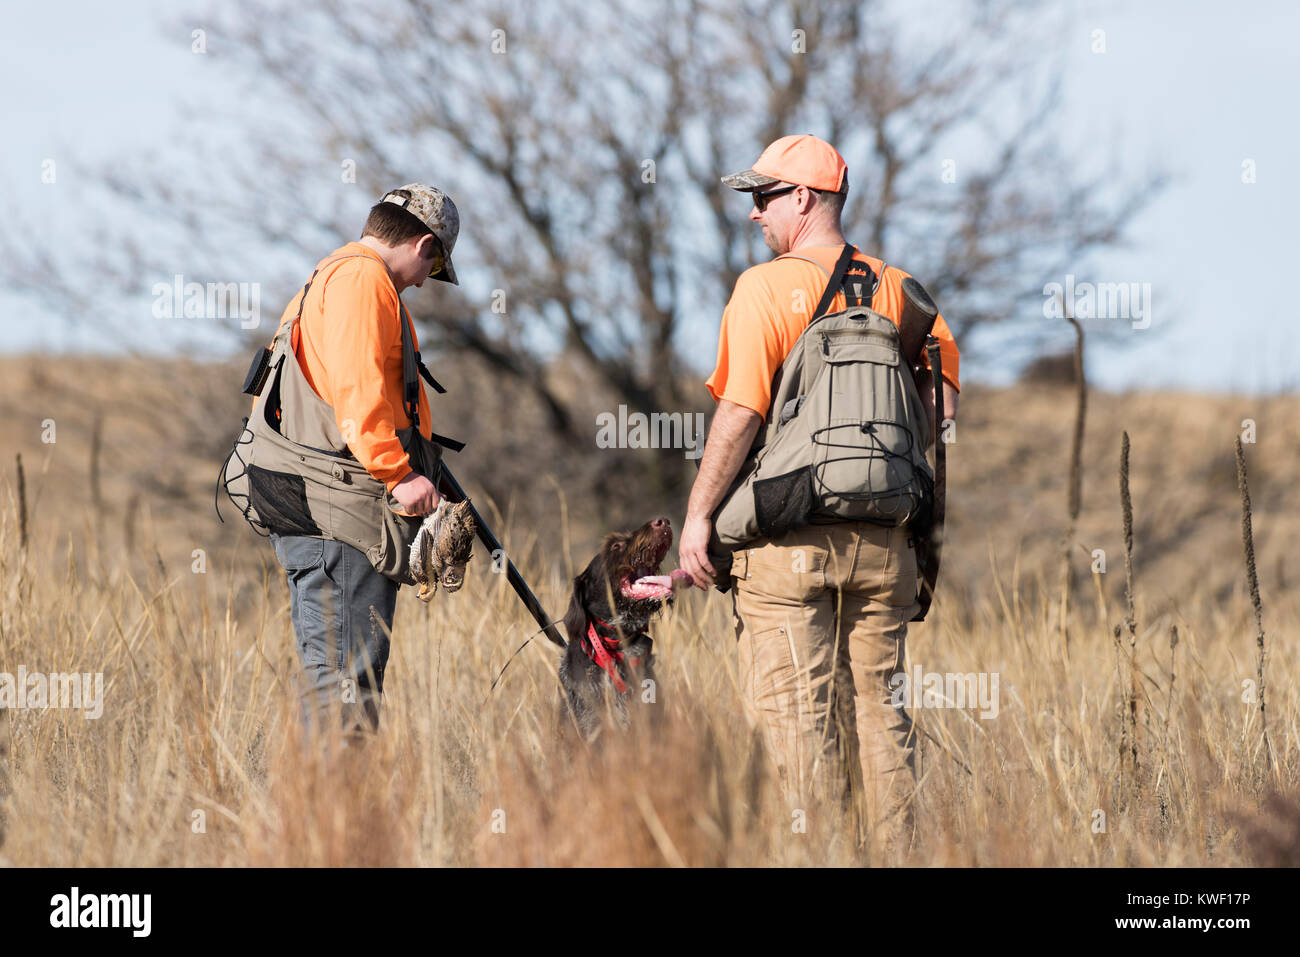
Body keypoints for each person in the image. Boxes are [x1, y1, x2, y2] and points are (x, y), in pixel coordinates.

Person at [677, 135, 961, 851]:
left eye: (762, 197)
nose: (754, 213)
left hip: (786, 546)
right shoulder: (904, 289)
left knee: (799, 728)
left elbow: (741, 413)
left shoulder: (762, 288)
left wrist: (699, 516)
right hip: (887, 550)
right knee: (884, 723)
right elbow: (942, 412)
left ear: (802, 198)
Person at [263, 183, 460, 738]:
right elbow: (357, 390)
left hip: (323, 511)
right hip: (343, 521)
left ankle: (323, 793)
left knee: (335, 679)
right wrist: (399, 474)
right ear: (424, 245)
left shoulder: (329, 275)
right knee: (348, 685)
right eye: (432, 269)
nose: (423, 283)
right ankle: (340, 795)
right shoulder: (363, 281)